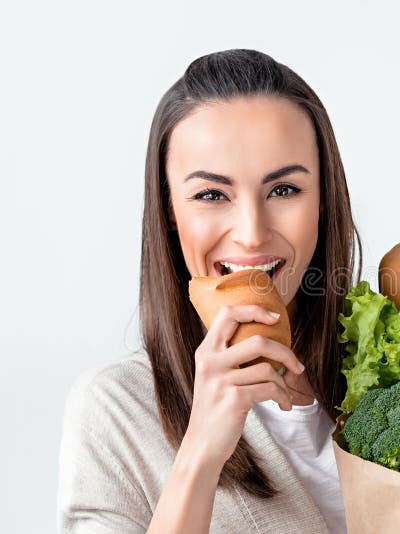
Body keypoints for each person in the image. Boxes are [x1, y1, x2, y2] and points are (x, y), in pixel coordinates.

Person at [56, 49, 361, 533]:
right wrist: (200, 452)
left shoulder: (390, 370)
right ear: (170, 211)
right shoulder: (114, 411)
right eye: (212, 195)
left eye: (283, 190)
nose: (252, 232)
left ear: (323, 199)